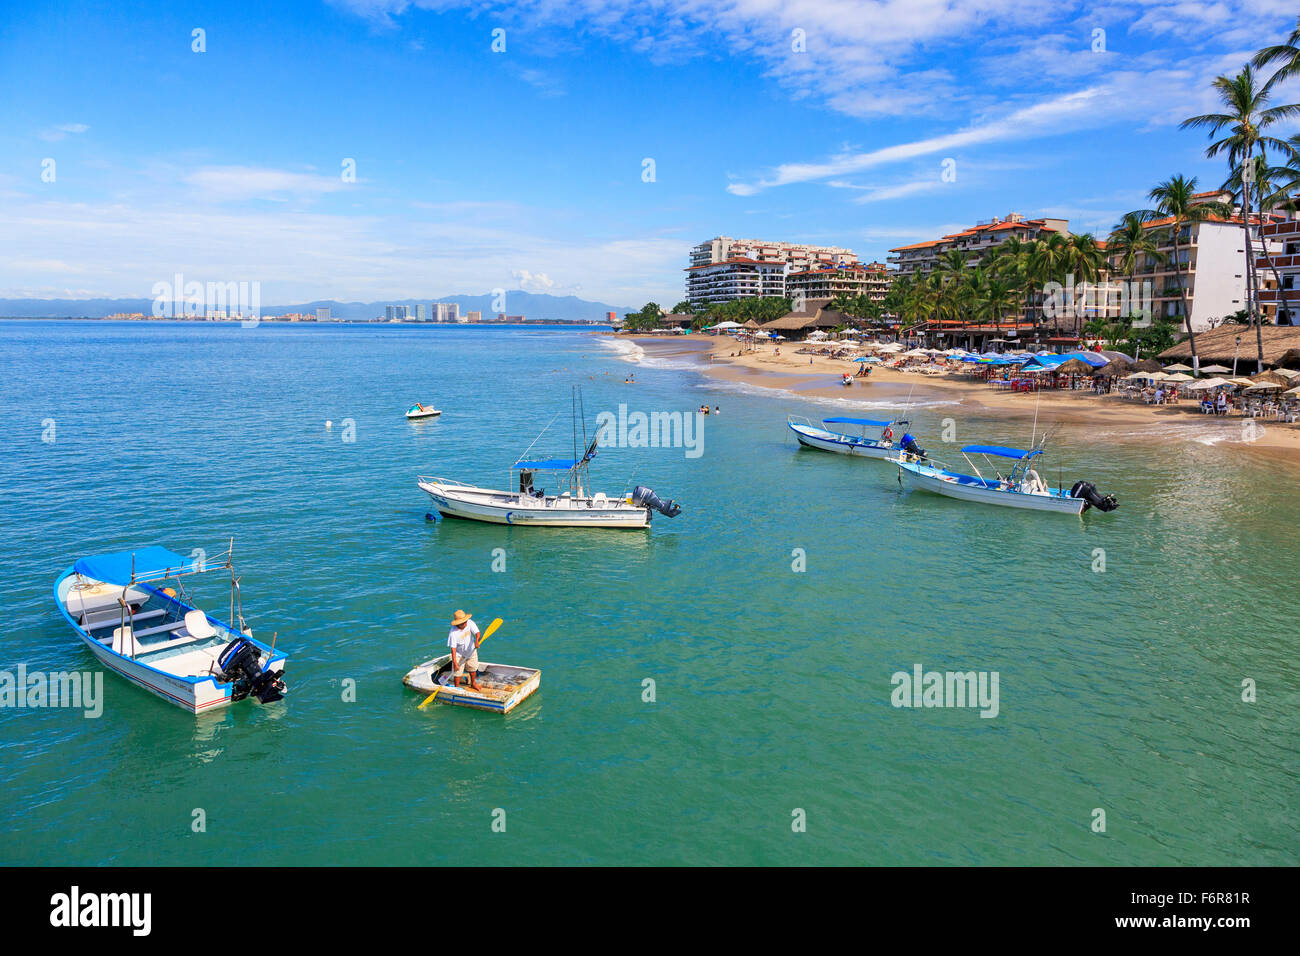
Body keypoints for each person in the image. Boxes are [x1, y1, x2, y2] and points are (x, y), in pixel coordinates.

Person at [446, 609, 483, 691]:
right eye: (463, 623)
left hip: (471, 651)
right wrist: (455, 662)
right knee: (457, 673)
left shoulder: (469, 622)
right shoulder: (453, 633)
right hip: (459, 655)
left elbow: (477, 633)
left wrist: (477, 641)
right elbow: (453, 649)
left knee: (472, 668)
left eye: (465, 621)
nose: (466, 623)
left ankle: (473, 683)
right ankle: (456, 688)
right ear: (458, 624)